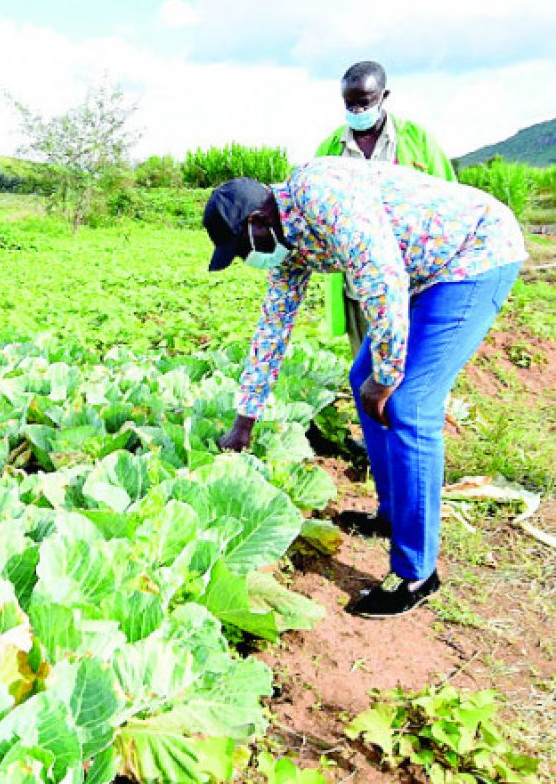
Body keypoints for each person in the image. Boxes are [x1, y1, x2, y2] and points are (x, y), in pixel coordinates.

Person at [204, 157, 526, 619]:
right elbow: (272, 329)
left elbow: (383, 278)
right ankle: (391, 513)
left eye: (240, 248)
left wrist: (389, 375)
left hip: (473, 254)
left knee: (410, 402)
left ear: (257, 221)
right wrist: (244, 421)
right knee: (362, 379)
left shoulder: (320, 194)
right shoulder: (287, 243)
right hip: (420, 270)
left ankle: (417, 572)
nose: (244, 259)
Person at [317, 61, 457, 358]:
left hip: (412, 280)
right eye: (349, 104)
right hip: (357, 287)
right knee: (364, 367)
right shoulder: (331, 149)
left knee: (408, 369)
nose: (356, 112)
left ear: (383, 96)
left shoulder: (418, 141)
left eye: (363, 103)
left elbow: (449, 203)